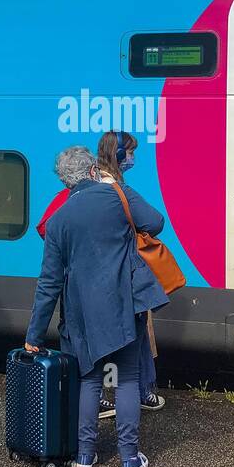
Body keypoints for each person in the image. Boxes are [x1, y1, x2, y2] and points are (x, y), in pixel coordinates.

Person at [24, 146, 168, 467]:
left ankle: (85, 456)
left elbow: (48, 283)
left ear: (66, 183)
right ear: (93, 171)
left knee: (89, 380)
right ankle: (130, 458)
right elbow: (155, 222)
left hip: (80, 314)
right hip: (121, 305)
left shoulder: (58, 220)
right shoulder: (117, 196)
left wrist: (34, 333)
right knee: (127, 379)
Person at [94, 131, 167, 418]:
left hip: (91, 277)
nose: (133, 158)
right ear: (120, 155)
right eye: (131, 153)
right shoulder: (121, 191)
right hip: (122, 276)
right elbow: (155, 221)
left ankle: (96, 398)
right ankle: (142, 393)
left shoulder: (87, 186)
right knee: (136, 336)